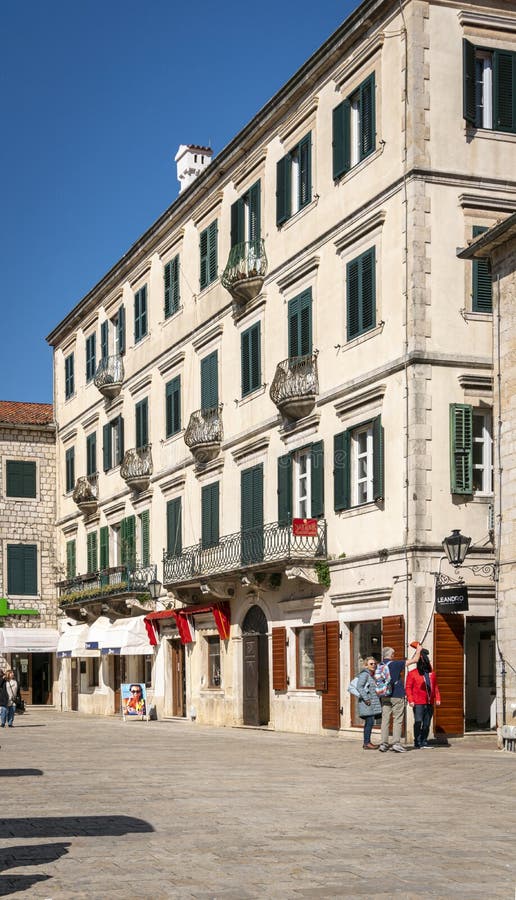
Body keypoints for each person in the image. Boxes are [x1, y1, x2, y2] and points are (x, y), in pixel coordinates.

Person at [378, 643, 422, 753]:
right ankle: (396, 743)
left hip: (384, 695)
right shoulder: (396, 664)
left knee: (385, 719)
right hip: (396, 695)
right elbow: (415, 660)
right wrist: (418, 650)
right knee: (397, 719)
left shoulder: (380, 665)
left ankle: (383, 743)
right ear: (391, 655)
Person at [405, 649, 441, 748]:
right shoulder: (412, 673)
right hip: (418, 702)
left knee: (427, 723)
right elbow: (408, 687)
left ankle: (424, 740)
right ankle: (417, 740)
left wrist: (437, 698)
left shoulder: (432, 674)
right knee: (418, 722)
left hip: (429, 702)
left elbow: (435, 687)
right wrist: (410, 700)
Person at [356, 657, 382, 749]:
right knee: (369, 722)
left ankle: (367, 743)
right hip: (366, 703)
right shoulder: (365, 674)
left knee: (369, 723)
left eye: (375, 663)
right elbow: (359, 687)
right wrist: (366, 699)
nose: (374, 665)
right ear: (366, 665)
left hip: (371, 702)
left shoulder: (371, 675)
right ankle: (367, 743)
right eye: (371, 664)